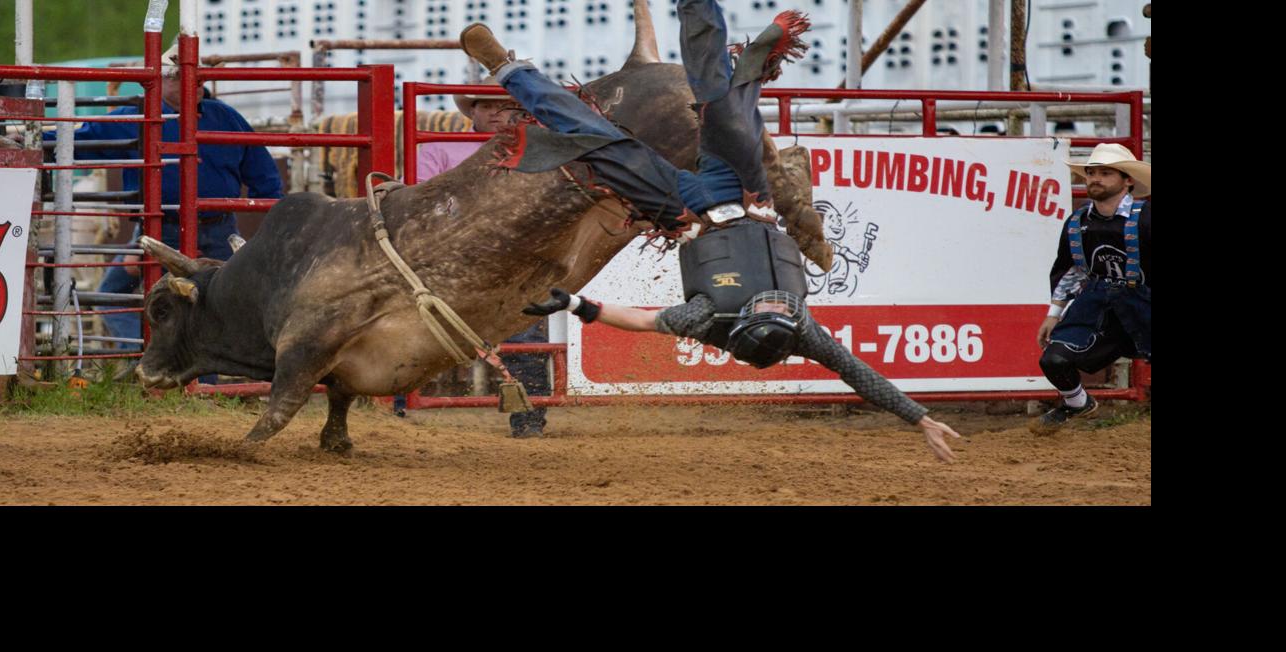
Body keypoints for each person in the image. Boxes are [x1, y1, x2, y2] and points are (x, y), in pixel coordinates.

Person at [457, 4, 962, 462]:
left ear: (743, 322)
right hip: (747, 191)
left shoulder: (709, 318)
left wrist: (573, 305)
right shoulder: (804, 330)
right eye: (779, 307)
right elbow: (859, 374)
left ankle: (508, 69)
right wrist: (919, 417)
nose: (773, 302)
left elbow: (640, 319)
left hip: (682, 211)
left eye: (763, 308)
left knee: (601, 145)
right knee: (724, 103)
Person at [48, 49, 283, 355]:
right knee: (118, 294)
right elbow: (84, 140)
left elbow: (265, 177)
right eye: (179, 77)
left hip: (214, 227)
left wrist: (271, 228)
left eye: (197, 78)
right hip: (161, 231)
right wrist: (30, 140)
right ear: (160, 81)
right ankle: (154, 360)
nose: (192, 84)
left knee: (219, 303)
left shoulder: (223, 117)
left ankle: (190, 370)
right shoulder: (140, 117)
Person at [396, 91, 551, 437]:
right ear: (474, 111)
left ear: (520, 113)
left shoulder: (534, 150)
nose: (496, 114)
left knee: (523, 336)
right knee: (409, 329)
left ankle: (529, 419)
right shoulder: (438, 149)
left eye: (506, 106)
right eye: (486, 106)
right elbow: (421, 201)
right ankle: (399, 410)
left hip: (512, 258)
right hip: (450, 258)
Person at [1030, 142, 1150, 433]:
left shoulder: (1147, 217)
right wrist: (1054, 313)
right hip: (1099, 302)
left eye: (1106, 172)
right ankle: (1077, 403)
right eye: (1092, 172)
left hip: (1144, 300)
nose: (1095, 178)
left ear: (1127, 180)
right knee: (1054, 358)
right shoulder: (1077, 223)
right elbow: (1070, 269)